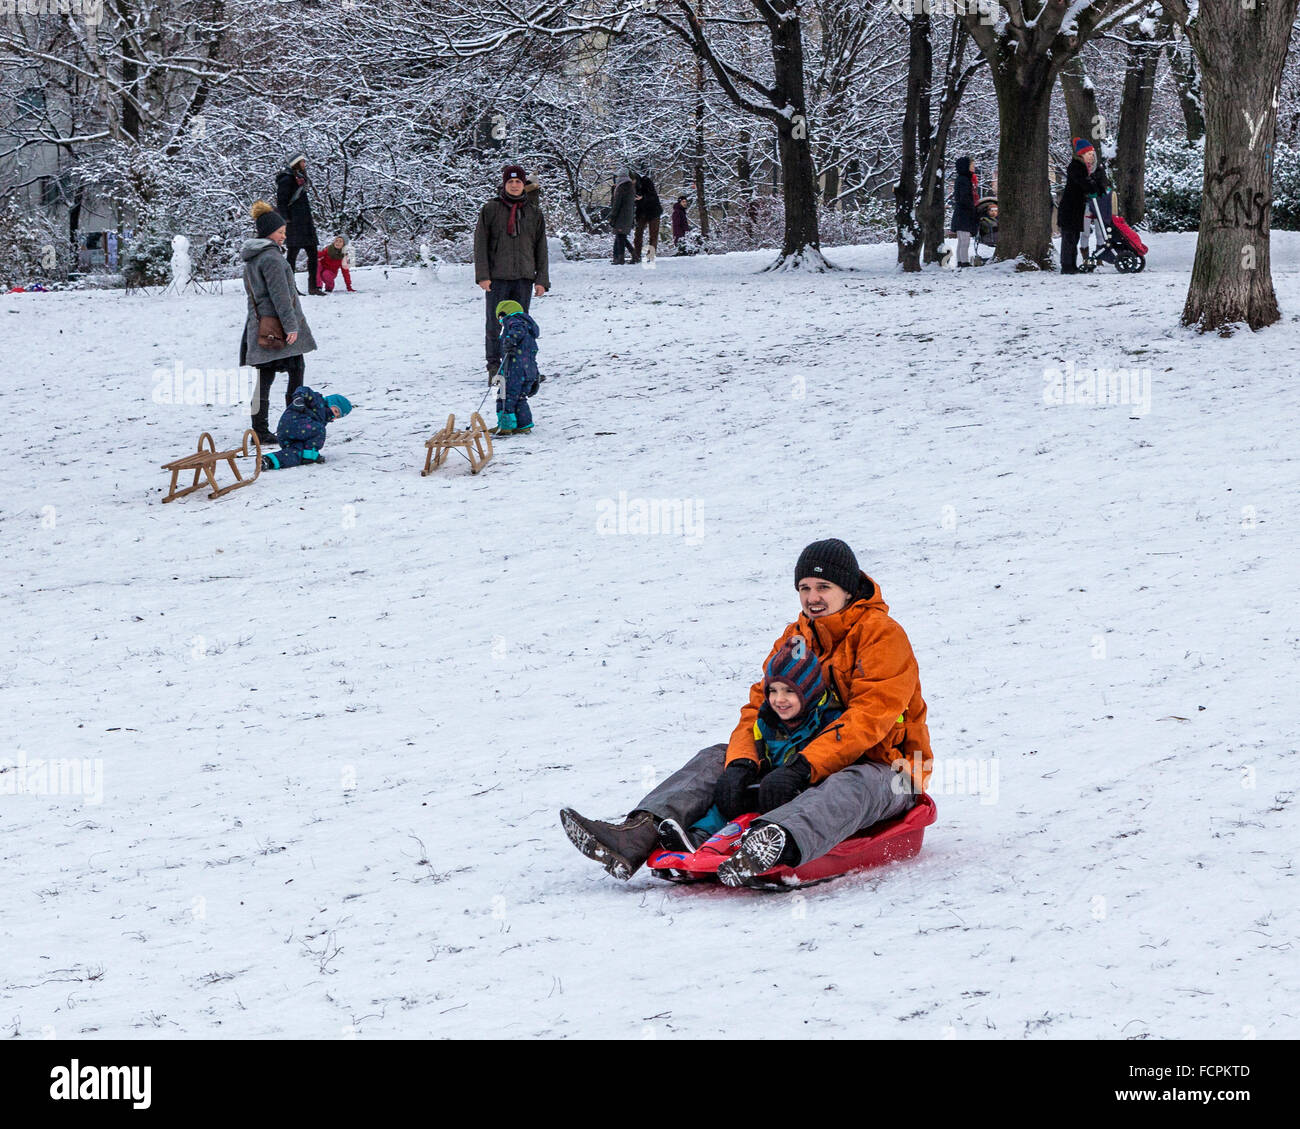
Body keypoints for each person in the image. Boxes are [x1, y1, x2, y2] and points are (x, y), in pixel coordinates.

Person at [560, 539, 933, 888]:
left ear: (848, 590)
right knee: (717, 756)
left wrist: (803, 767)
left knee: (852, 783)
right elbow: (759, 706)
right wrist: (741, 764)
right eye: (804, 588)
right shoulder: (796, 637)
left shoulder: (882, 635)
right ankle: (636, 835)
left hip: (888, 768)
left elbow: (871, 717)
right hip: (802, 755)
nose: (812, 598)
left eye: (823, 587)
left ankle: (769, 844)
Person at [661, 637, 846, 853]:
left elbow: (835, 763)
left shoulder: (831, 722)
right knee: (728, 800)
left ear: (809, 691)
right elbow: (761, 754)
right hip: (773, 789)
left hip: (809, 793)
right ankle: (698, 837)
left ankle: (770, 843)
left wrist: (798, 777)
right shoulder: (767, 722)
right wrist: (743, 774)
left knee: (801, 805)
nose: (779, 699)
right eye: (773, 691)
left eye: (789, 691)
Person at [242, 201, 318, 446]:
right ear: (267, 233)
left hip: (261, 327)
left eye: (285, 232)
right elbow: (281, 296)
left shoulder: (253, 257)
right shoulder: (272, 258)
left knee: (263, 379)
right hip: (279, 327)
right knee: (296, 372)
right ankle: (294, 424)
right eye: (280, 232)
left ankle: (260, 431)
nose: (284, 236)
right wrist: (291, 326)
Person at [473, 164, 550, 382]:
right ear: (504, 184)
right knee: (494, 324)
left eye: (518, 182)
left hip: (523, 277)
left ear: (523, 185)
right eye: (510, 182)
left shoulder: (533, 212)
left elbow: (540, 248)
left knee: (520, 325)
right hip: (497, 277)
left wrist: (541, 279)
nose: (514, 186)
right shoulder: (491, 209)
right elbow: (481, 244)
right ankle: (495, 368)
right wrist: (483, 275)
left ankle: (520, 367)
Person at [261, 387, 351, 470]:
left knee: (296, 453)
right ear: (329, 402)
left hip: (290, 434)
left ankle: (269, 461)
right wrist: (299, 398)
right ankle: (310, 455)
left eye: (337, 416)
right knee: (319, 429)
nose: (334, 416)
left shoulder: (323, 418)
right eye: (335, 411)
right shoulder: (317, 401)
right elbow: (304, 390)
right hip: (293, 423)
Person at [1059, 137, 1109, 274]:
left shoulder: (1087, 168)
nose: (1091, 157)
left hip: (1076, 209)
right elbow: (1085, 184)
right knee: (1069, 238)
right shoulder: (1076, 167)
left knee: (1073, 238)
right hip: (1070, 209)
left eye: (1093, 154)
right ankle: (1067, 266)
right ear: (1081, 154)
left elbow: (1093, 183)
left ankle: (1071, 265)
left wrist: (1099, 189)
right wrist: (1094, 189)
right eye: (1088, 154)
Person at [491, 299, 539, 436]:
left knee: (504, 395)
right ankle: (524, 424)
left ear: (504, 313)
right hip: (528, 369)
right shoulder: (528, 327)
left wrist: (510, 340)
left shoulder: (513, 320)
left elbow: (517, 330)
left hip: (515, 369)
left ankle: (505, 425)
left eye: (499, 318)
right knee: (520, 397)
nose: (500, 321)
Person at [275, 154, 321, 295]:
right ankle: (291, 287)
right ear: (296, 163)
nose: (304, 163)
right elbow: (281, 201)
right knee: (292, 256)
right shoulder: (287, 179)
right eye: (302, 161)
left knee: (313, 254)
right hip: (294, 222)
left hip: (305, 222)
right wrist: (286, 219)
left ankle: (313, 287)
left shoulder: (300, 178)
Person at [949, 155, 980, 268]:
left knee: (962, 240)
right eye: (972, 165)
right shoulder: (964, 180)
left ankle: (961, 262)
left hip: (962, 214)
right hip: (964, 214)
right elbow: (964, 197)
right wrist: (972, 207)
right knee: (964, 240)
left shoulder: (963, 179)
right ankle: (964, 262)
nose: (974, 167)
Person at [631, 168, 663, 264]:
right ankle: (636, 255)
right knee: (638, 234)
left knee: (653, 235)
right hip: (641, 212)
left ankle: (650, 255)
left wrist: (642, 198)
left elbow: (653, 196)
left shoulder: (646, 182)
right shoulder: (632, 186)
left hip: (653, 211)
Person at [609, 171, 636, 264]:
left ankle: (621, 258)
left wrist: (612, 217)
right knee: (620, 236)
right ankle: (621, 256)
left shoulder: (621, 188)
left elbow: (616, 204)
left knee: (620, 237)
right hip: (628, 216)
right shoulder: (631, 187)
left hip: (621, 216)